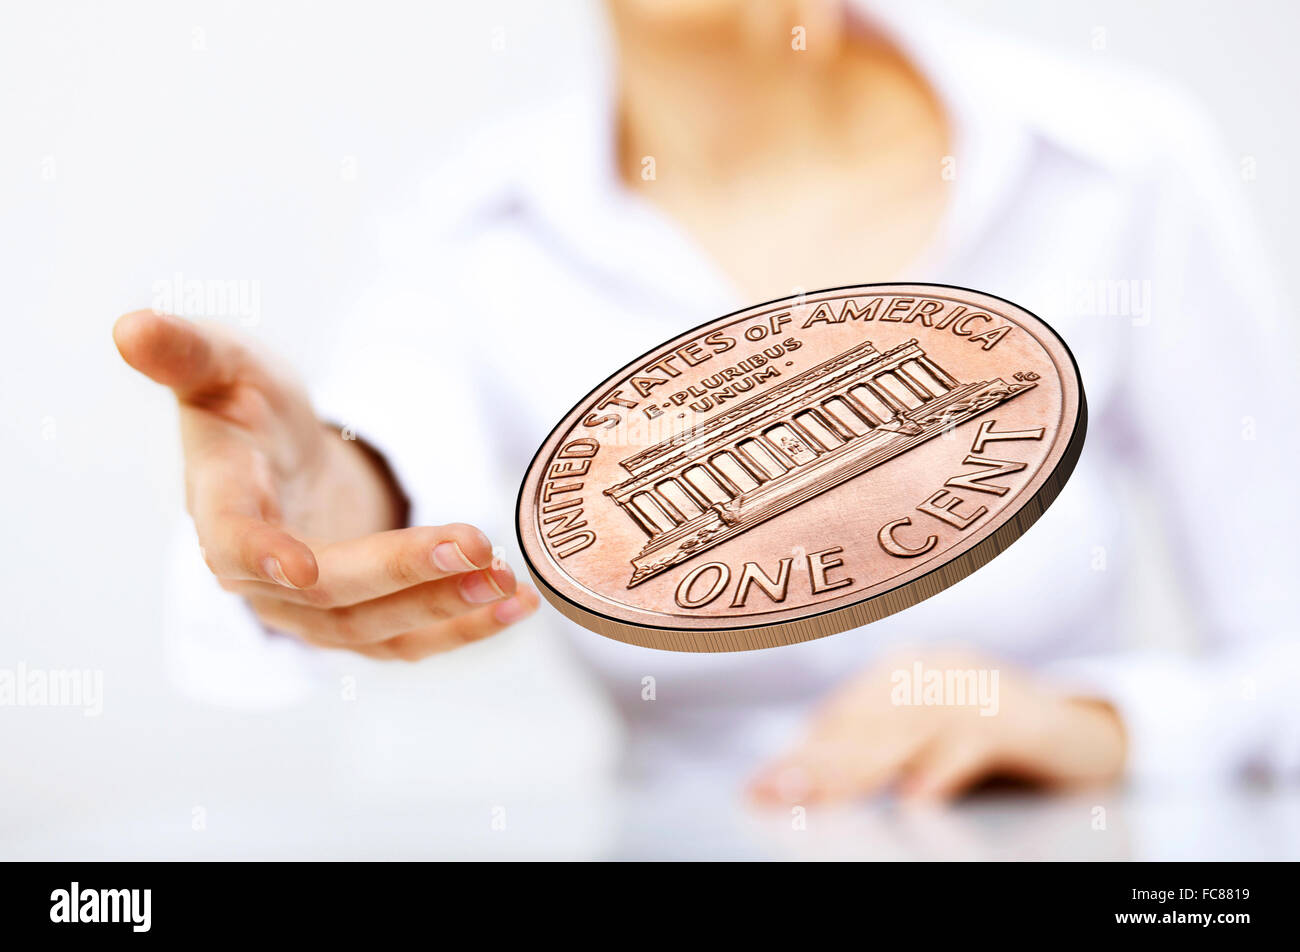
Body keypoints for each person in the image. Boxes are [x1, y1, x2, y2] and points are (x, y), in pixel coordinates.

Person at [113, 0, 1297, 804]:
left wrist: (1105, 724)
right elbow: (378, 476)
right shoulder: (473, 239)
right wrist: (319, 496)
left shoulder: (1116, 163)